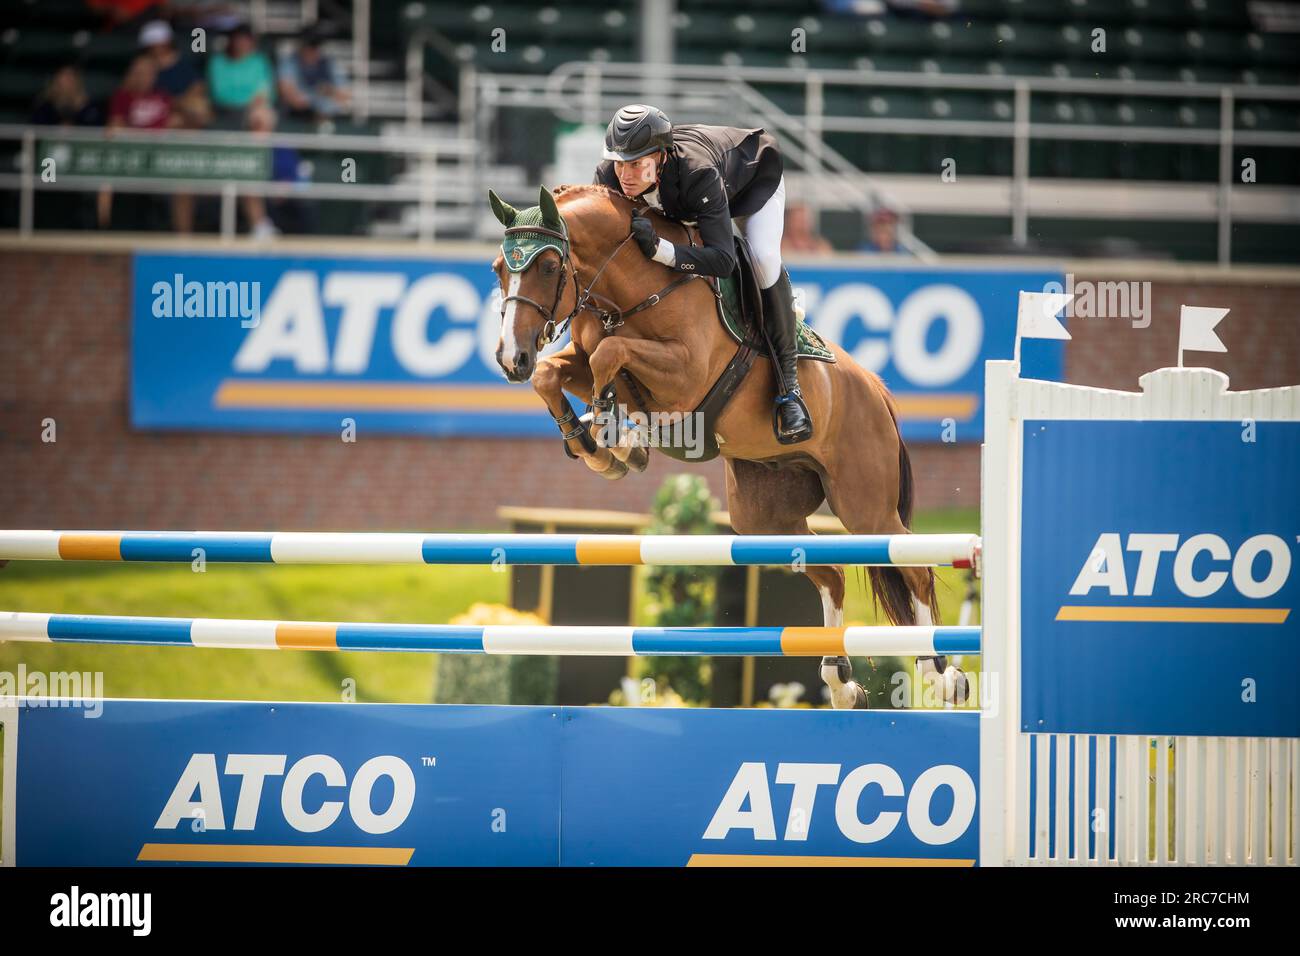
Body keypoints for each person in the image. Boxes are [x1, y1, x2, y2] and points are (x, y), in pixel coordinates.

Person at [593, 104, 812, 444]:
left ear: (661, 157)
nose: (625, 175)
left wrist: (661, 251)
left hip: (751, 184)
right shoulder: (610, 175)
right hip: (690, 200)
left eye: (636, 165)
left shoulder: (697, 173)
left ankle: (789, 391)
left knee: (763, 258)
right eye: (620, 163)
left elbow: (723, 260)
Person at [138, 19, 211, 232]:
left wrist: (174, 106)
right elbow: (133, 97)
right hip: (149, 133)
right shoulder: (143, 67)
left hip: (181, 140)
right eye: (150, 44)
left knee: (183, 184)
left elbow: (198, 101)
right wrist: (168, 107)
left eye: (158, 43)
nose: (155, 48)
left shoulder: (186, 66)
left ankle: (184, 236)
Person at [277, 28, 349, 119]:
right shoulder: (290, 62)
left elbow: (344, 96)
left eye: (314, 46)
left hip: (328, 117)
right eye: (307, 45)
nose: (310, 50)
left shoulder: (330, 64)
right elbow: (289, 95)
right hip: (298, 116)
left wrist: (328, 90)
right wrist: (313, 101)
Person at [207, 23, 275, 116]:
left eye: (246, 40)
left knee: (262, 114)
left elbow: (266, 92)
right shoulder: (217, 62)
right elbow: (218, 94)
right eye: (238, 39)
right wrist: (245, 103)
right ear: (231, 41)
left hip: (254, 109)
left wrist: (254, 104)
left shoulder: (260, 61)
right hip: (223, 109)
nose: (241, 43)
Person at [31, 66, 104, 127]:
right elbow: (35, 131)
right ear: (55, 83)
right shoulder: (44, 108)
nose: (68, 84)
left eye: (71, 79)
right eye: (64, 80)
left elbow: (96, 131)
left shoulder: (91, 109)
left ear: (78, 82)